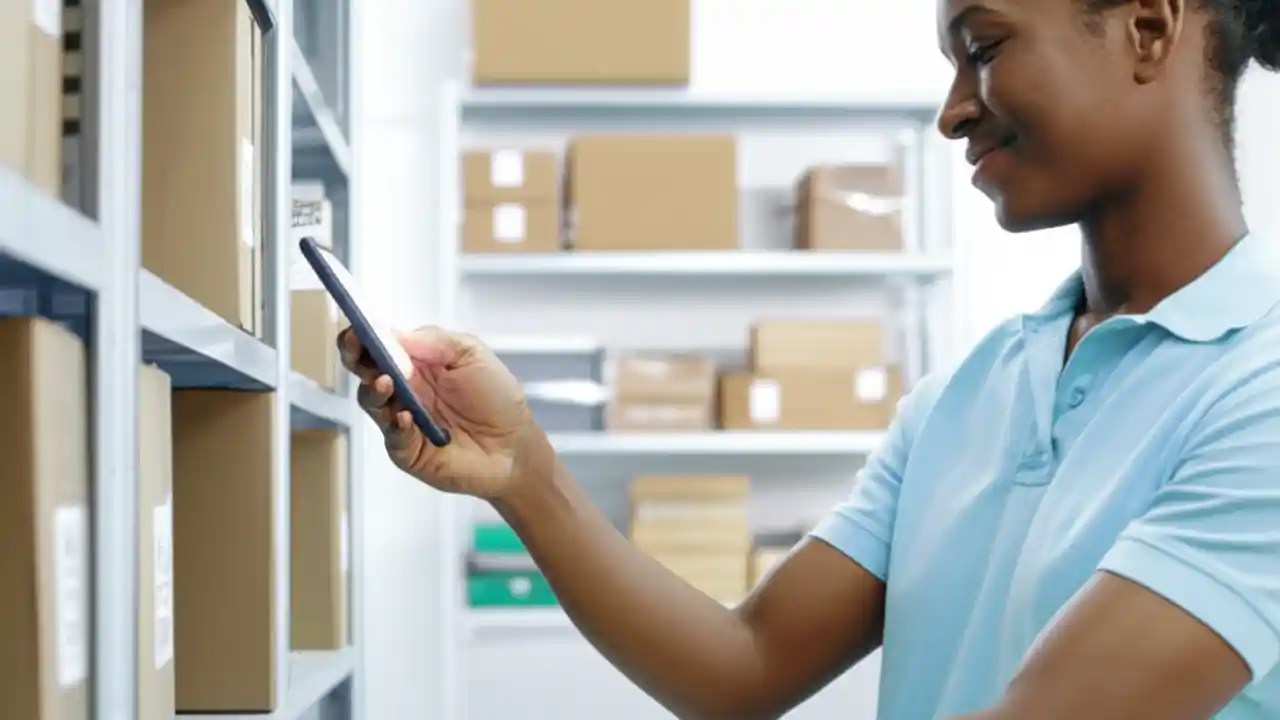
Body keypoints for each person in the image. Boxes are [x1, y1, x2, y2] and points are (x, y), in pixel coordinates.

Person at [341, 0, 1280, 717]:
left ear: (1149, 28)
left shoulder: (1263, 392)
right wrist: (523, 471)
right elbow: (744, 667)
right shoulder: (971, 388)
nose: (952, 114)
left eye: (983, 48)